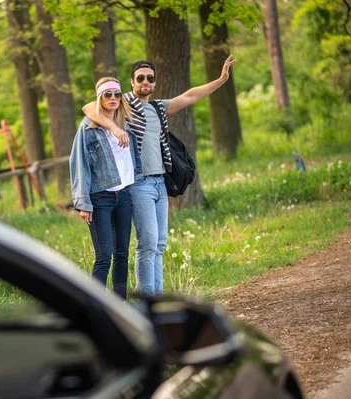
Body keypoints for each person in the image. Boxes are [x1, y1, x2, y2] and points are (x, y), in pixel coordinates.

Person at [82, 56, 236, 296]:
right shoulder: (124, 104)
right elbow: (89, 108)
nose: (146, 82)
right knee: (148, 243)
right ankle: (147, 301)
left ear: (154, 83)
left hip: (159, 183)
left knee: (160, 244)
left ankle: (158, 298)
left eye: (150, 79)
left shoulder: (157, 108)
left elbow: (190, 96)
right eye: (140, 78)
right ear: (132, 82)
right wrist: (114, 127)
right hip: (139, 183)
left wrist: (221, 79)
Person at [70, 77, 142, 300]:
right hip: (100, 197)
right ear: (99, 97)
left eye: (116, 94)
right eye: (107, 94)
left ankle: (119, 303)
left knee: (122, 254)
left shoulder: (125, 124)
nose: (113, 98)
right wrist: (83, 203)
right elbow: (79, 163)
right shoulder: (88, 128)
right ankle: (96, 304)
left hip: (124, 196)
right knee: (104, 255)